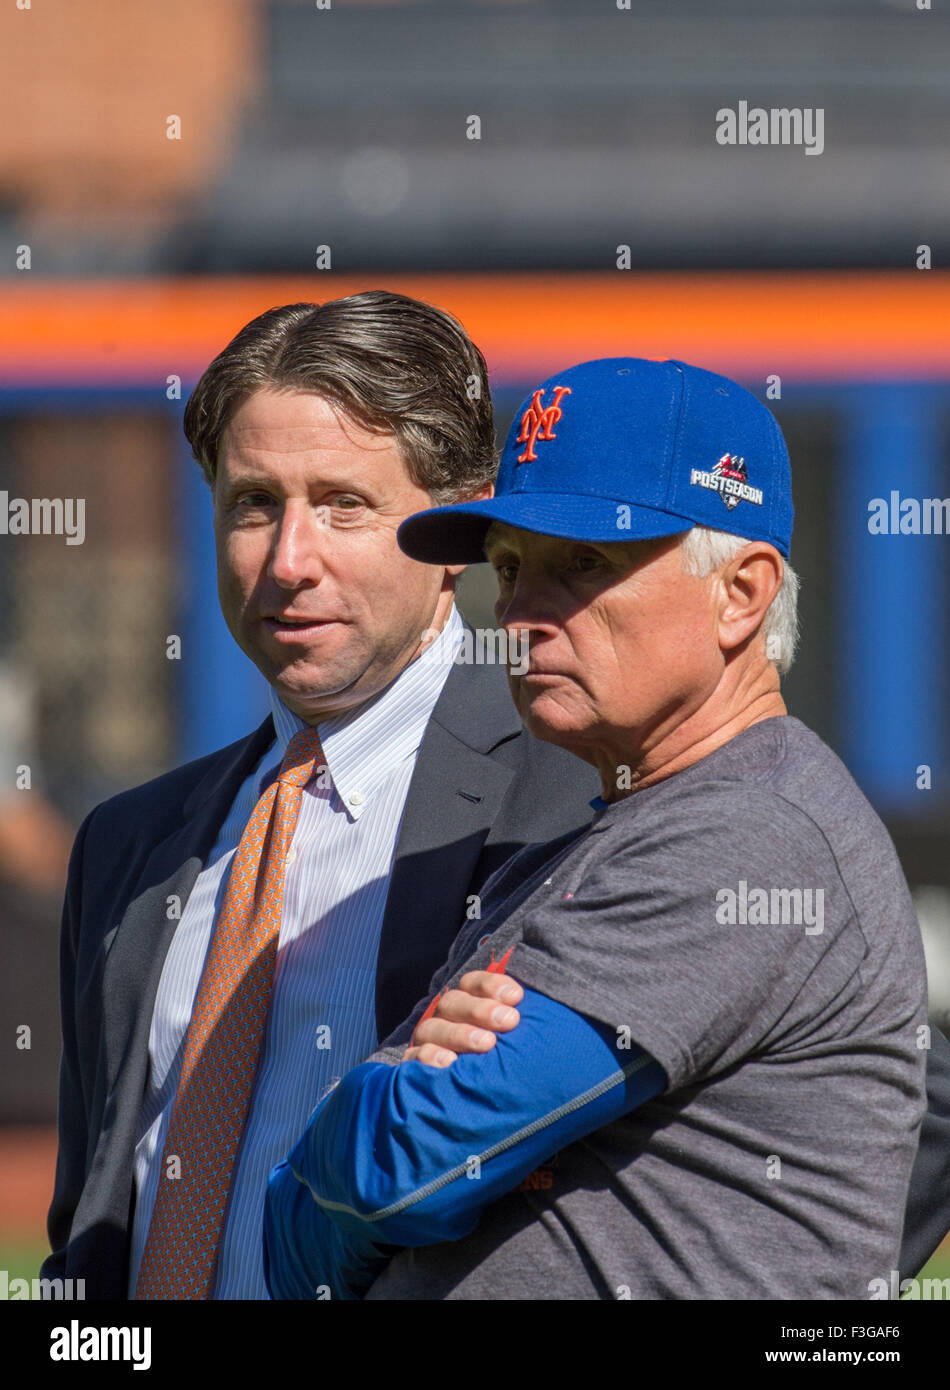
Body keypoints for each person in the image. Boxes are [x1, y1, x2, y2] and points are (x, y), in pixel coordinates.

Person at [265, 355, 948, 1300]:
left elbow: (408, 1168)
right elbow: (299, 1247)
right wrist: (361, 1143)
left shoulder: (751, 829)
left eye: (584, 563)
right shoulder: (577, 846)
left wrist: (341, 1130)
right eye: (509, 569)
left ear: (741, 593)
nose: (520, 617)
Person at [41, 291, 601, 1300]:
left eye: (343, 503)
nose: (288, 559)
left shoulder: (583, 797)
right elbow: (93, 1217)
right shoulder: (128, 844)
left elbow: (897, 1122)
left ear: (457, 533)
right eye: (254, 502)